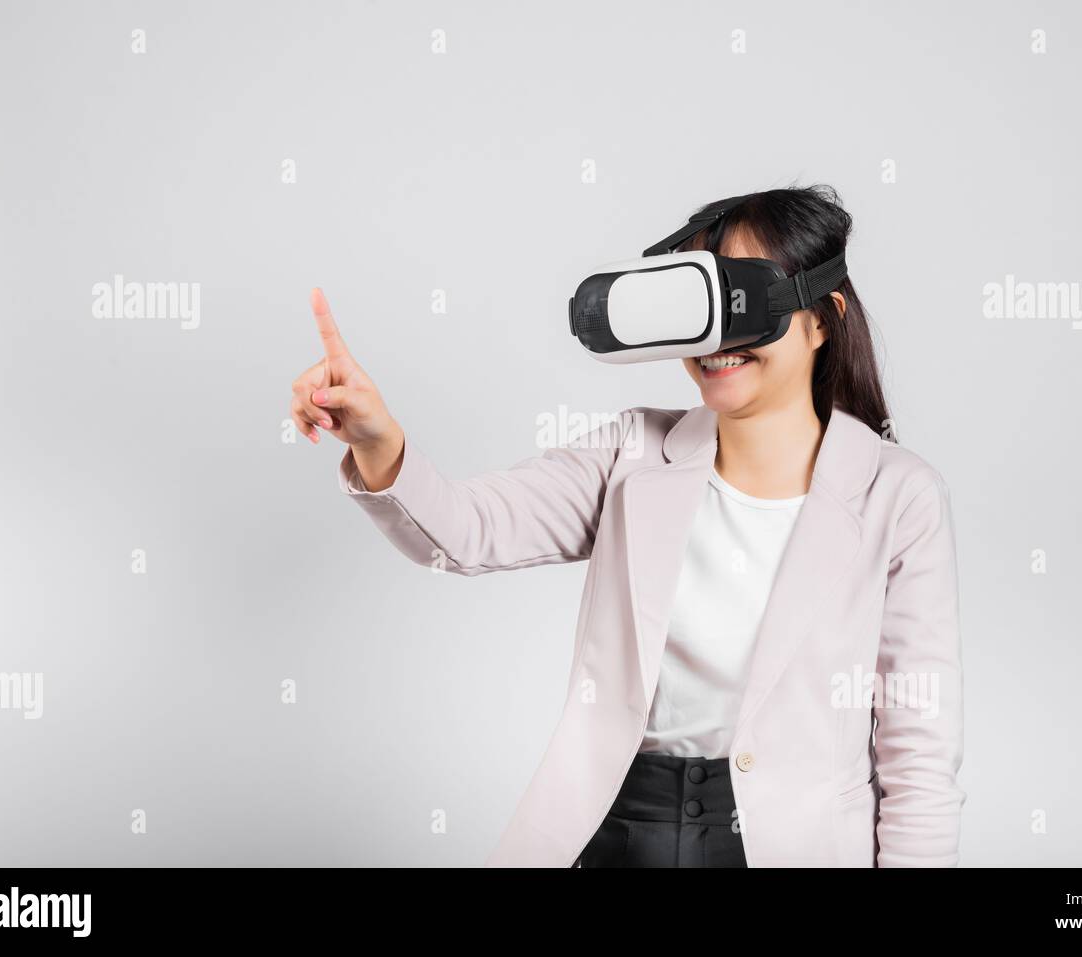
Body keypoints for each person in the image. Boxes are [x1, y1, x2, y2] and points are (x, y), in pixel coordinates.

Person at [288, 186, 964, 867]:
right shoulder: (632, 452)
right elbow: (466, 532)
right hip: (617, 828)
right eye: (699, 308)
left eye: (744, 303)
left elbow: (920, 754)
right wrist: (377, 440)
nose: (720, 339)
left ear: (822, 319)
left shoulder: (899, 495)